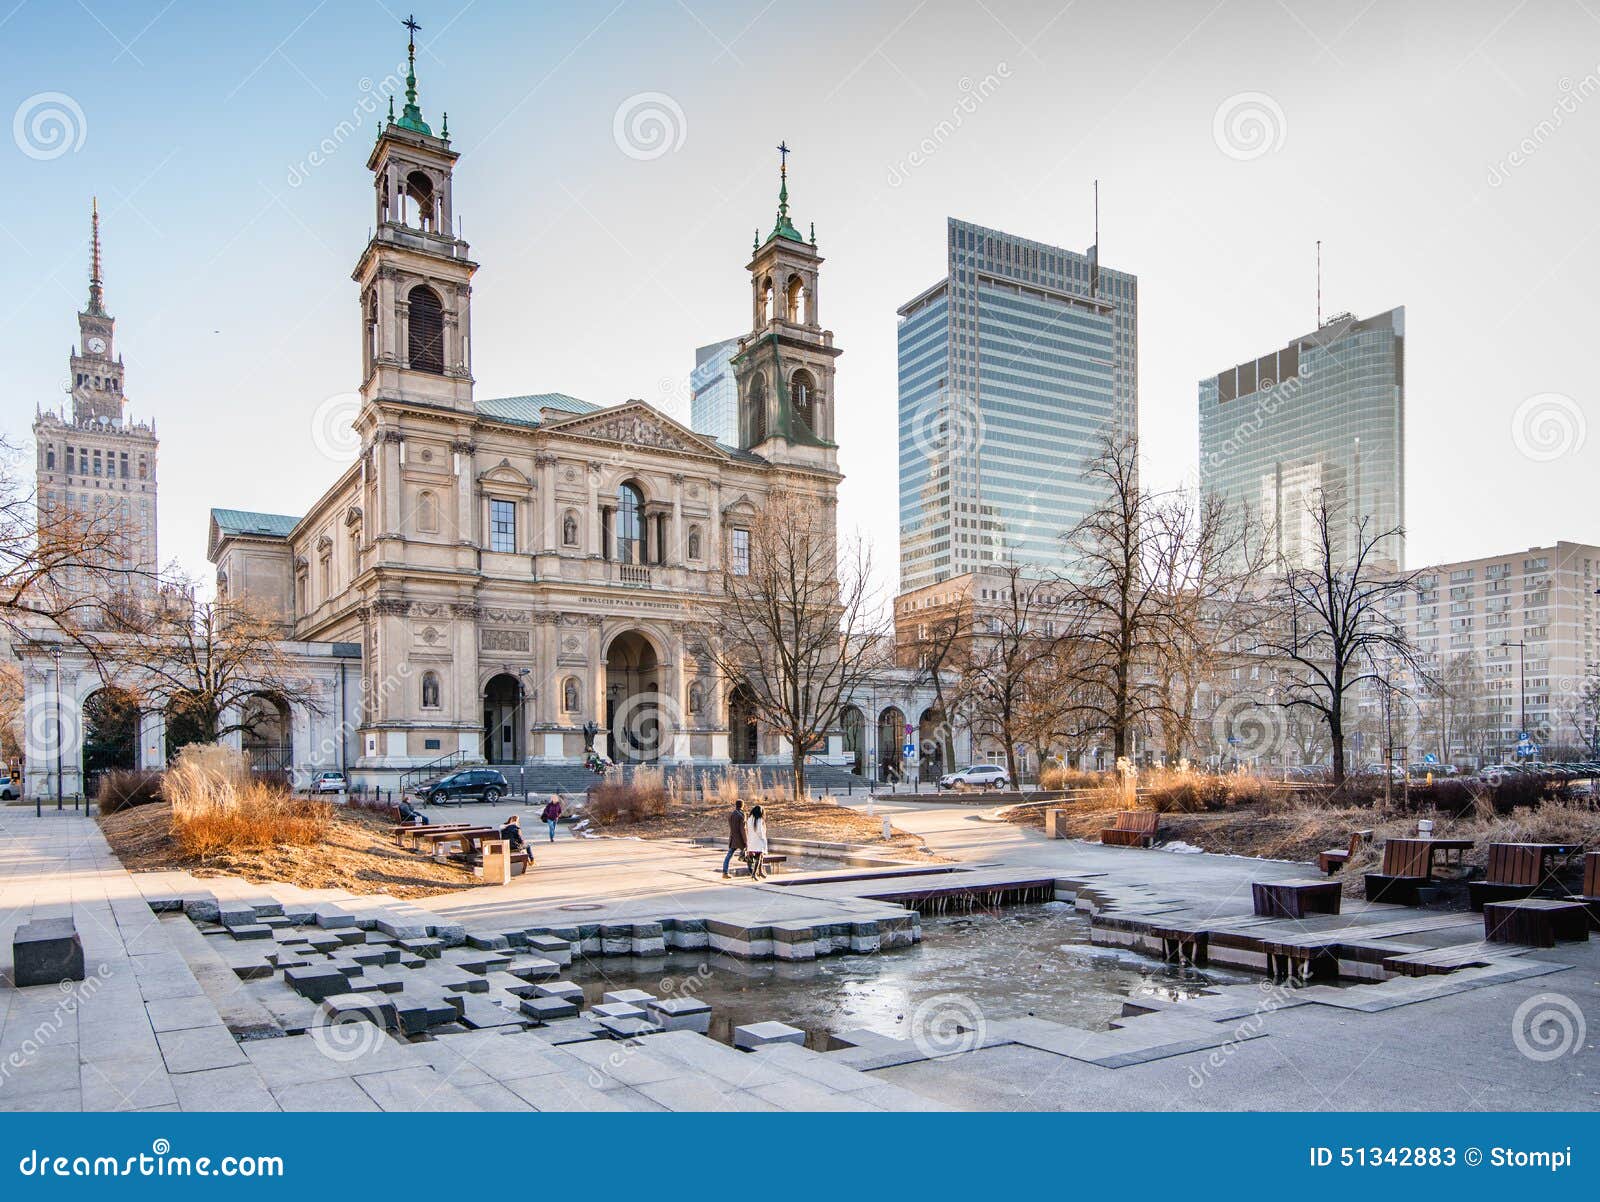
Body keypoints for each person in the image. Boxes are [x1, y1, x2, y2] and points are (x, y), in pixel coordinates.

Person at [721, 799, 747, 879]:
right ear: (742, 805)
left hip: (732, 838)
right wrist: (746, 841)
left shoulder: (731, 814)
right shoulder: (742, 815)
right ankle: (752, 871)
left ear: (736, 805)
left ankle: (724, 872)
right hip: (740, 839)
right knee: (748, 855)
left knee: (728, 856)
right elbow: (743, 829)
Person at [746, 804, 769, 880]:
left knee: (759, 857)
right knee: (759, 857)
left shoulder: (749, 819)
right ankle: (754, 873)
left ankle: (760, 872)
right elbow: (760, 831)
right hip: (758, 841)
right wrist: (763, 839)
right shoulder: (759, 820)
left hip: (751, 840)